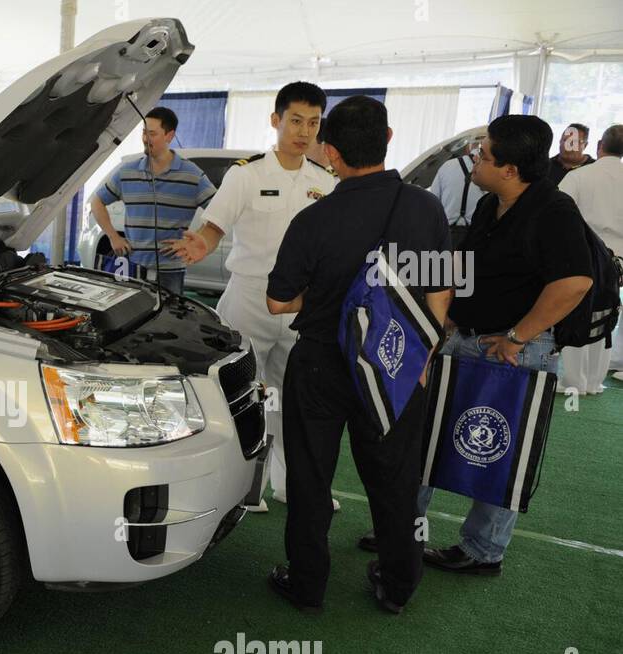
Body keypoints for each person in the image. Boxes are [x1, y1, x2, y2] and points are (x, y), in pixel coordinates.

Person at [261, 95, 452, 613]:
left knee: (310, 477)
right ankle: (398, 584)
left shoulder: (313, 218)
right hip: (397, 360)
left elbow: (279, 299)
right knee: (394, 479)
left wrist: (322, 298)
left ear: (330, 152)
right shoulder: (426, 207)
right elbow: (440, 293)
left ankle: (307, 584)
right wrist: (423, 357)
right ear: (389, 139)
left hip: (321, 361)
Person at [394, 114, 593, 575]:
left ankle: (482, 551)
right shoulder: (492, 203)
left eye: (482, 154)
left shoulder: (554, 211)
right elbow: (471, 269)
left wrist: (517, 337)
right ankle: (402, 529)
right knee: (426, 436)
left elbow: (574, 283)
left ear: (509, 169)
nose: (474, 160)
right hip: (464, 338)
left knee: (497, 449)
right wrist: (447, 320)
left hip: (517, 350)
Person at [161, 82, 338, 513]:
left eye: (313, 123)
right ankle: (241, 488)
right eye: (295, 120)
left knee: (287, 398)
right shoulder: (248, 174)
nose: (303, 131)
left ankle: (289, 485)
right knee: (238, 395)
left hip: (301, 306)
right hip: (251, 297)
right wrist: (201, 244)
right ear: (276, 120)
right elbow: (215, 225)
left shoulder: (325, 182)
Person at [89, 107, 215, 298]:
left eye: (152, 133)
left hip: (170, 273)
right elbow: (96, 201)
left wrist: (196, 238)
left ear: (169, 135)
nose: (146, 139)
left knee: (166, 325)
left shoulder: (193, 176)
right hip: (132, 269)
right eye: (143, 132)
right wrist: (113, 236)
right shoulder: (126, 172)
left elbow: (219, 212)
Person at [558, 125, 623, 394]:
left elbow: (558, 213)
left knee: (577, 311)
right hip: (619, 257)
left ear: (599, 145)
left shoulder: (579, 177)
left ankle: (575, 381)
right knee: (609, 313)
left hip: (584, 253)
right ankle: (595, 381)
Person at [429, 145, 486, 247]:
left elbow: (432, 204)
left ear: (468, 148)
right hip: (475, 238)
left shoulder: (447, 166)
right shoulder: (490, 171)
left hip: (447, 236)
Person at [546, 123, 594, 188]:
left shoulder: (594, 168)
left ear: (585, 145)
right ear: (560, 141)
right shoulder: (545, 166)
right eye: (565, 140)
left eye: (574, 142)